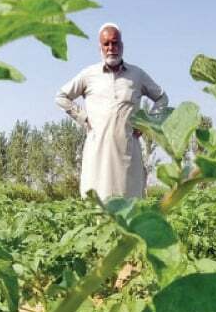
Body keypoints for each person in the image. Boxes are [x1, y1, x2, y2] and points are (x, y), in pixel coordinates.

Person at [55, 22, 168, 200]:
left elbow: (162, 98)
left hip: (127, 154)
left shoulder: (137, 75)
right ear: (100, 47)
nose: (111, 48)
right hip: (98, 152)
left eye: (115, 43)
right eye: (106, 44)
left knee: (130, 207)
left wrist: (148, 123)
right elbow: (62, 97)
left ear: (121, 46)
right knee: (98, 206)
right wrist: (84, 118)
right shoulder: (89, 75)